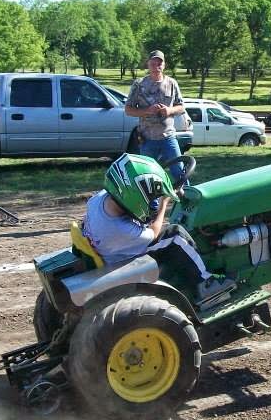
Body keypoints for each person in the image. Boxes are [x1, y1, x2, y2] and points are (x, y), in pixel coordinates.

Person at [81, 153, 235, 303]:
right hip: (123, 261)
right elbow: (154, 233)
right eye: (148, 196)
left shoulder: (98, 199)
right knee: (175, 235)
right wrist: (163, 204)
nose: (150, 199)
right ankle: (206, 284)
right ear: (134, 196)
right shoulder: (119, 229)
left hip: (107, 248)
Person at [125, 50, 187, 186]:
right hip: (147, 139)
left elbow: (181, 107)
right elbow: (128, 110)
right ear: (148, 64)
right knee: (148, 176)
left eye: (160, 62)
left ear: (164, 65)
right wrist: (147, 111)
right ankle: (152, 206)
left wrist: (169, 110)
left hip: (168, 137)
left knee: (180, 171)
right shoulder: (139, 84)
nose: (156, 65)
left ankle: (188, 200)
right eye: (153, 62)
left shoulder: (172, 83)